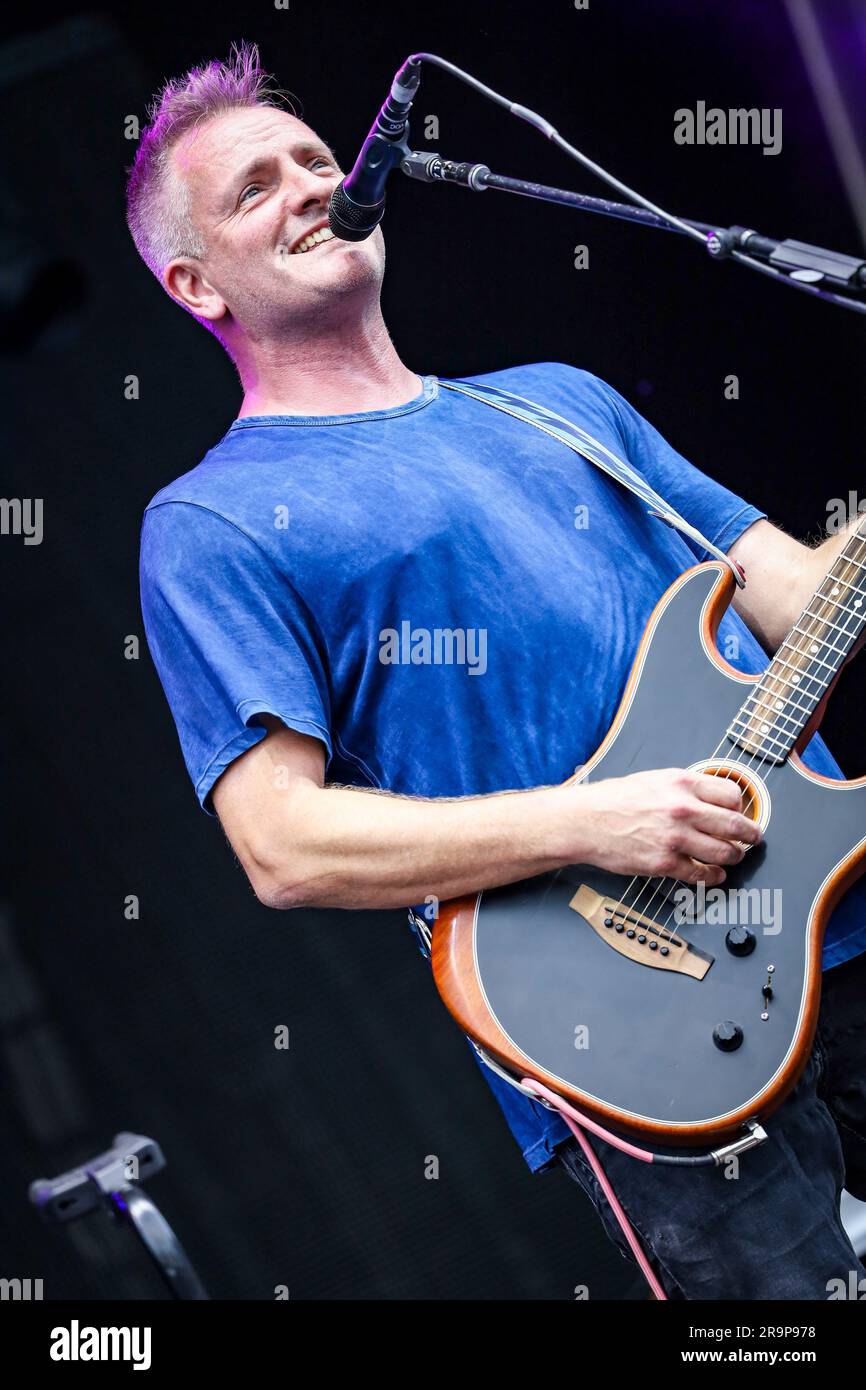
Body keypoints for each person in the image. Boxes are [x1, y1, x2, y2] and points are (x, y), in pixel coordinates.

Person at [130, 43, 866, 1299]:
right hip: (630, 1026)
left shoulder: (557, 403)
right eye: (258, 185)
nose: (314, 183)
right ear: (197, 285)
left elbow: (803, 596)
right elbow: (283, 846)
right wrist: (600, 818)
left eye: (317, 158)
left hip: (834, 913)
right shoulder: (211, 523)